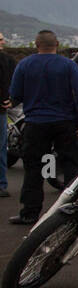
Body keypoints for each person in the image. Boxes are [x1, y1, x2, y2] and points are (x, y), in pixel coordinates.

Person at [8, 30, 78, 224]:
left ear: (36, 45)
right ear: (58, 44)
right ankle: (71, 210)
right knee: (71, 164)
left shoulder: (25, 65)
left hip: (36, 123)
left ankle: (30, 212)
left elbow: (15, 95)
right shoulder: (69, 65)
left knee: (33, 168)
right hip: (65, 123)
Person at [0, 32, 15, 198]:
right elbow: (13, 83)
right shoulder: (8, 60)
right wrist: (10, 99)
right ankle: (1, 184)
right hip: (2, 108)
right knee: (1, 147)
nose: (3, 41)